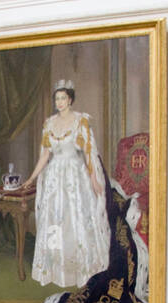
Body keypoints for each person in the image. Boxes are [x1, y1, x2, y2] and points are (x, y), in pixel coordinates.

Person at [18, 81, 111, 289]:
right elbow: (45, 155)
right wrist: (32, 178)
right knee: (54, 220)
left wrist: (94, 179)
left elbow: (88, 153)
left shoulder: (81, 121)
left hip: (75, 177)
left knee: (75, 219)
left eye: (63, 98)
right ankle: (55, 267)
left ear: (70, 99)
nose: (59, 102)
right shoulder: (49, 124)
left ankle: (78, 267)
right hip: (54, 178)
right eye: (56, 98)